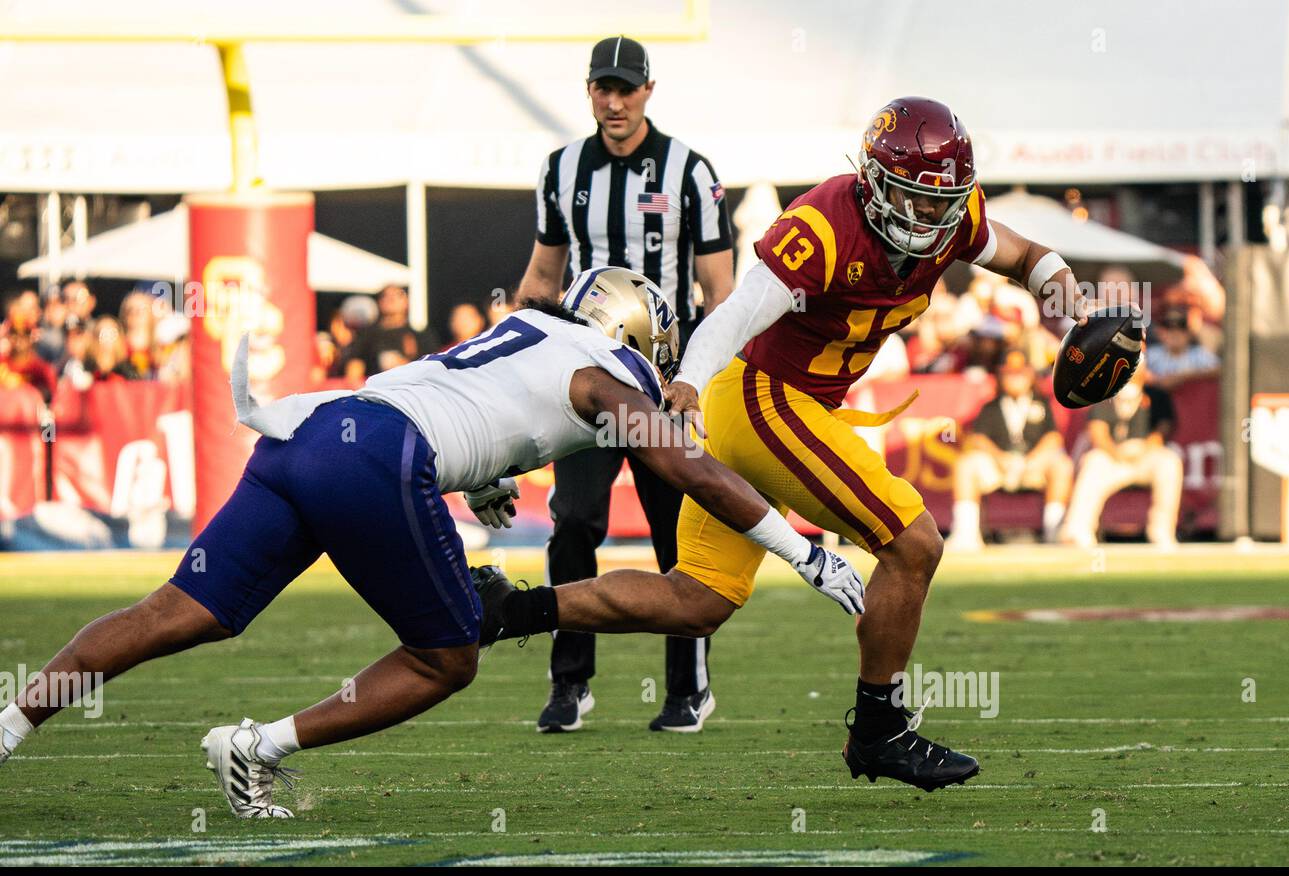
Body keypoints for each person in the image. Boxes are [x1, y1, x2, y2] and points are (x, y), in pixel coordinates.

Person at [0, 268, 863, 819]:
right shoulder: (612, 371)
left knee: (175, 613)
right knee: (448, 656)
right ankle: (257, 747)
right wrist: (806, 553)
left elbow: (455, 400)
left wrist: (482, 474)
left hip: (310, 429)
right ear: (642, 335)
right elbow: (699, 476)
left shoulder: (525, 329)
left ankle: (8, 727)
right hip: (376, 458)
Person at [483, 97, 1093, 792]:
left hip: (794, 404)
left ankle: (510, 609)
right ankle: (880, 731)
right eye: (917, 201)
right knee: (914, 542)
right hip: (763, 398)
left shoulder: (952, 214)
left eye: (942, 203)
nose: (931, 219)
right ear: (875, 184)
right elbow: (735, 313)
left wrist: (1076, 302)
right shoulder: (824, 226)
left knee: (696, 600)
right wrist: (684, 383)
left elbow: (1027, 257)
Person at [515, 35, 735, 733]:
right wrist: (516, 355)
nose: (613, 101)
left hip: (661, 384)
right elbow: (542, 279)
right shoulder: (562, 169)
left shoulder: (689, 172)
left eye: (625, 88)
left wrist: (696, 379)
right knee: (574, 521)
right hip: (584, 380)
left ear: (648, 90)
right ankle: (570, 680)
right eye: (601, 88)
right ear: (589, 91)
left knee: (679, 538)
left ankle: (687, 688)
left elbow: (719, 291)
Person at [948, 349, 1073, 549]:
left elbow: (1053, 437)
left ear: (1030, 375)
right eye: (1010, 374)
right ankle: (966, 532)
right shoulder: (991, 407)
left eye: (1020, 374)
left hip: (1033, 467)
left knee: (1062, 465)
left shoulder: (1042, 404)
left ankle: (1054, 530)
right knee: (965, 465)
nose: (1015, 380)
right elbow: (978, 438)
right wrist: (999, 458)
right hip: (1000, 467)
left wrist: (1034, 459)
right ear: (1001, 376)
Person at [1061, 365, 1182, 549]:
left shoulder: (1155, 394)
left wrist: (1144, 449)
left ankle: (1162, 532)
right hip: (1113, 456)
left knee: (1169, 462)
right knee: (1093, 462)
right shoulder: (1105, 393)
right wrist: (1117, 454)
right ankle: (1077, 531)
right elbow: (1097, 432)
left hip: (1145, 455)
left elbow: (1162, 429)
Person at [341, 285, 419, 380]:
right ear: (379, 302)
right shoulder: (367, 334)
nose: (391, 299)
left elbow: (428, 367)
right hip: (375, 390)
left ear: (406, 301)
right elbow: (355, 365)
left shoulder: (419, 335)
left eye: (397, 295)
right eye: (385, 296)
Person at [1144, 302, 1220, 391]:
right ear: (1160, 333)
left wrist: (1183, 376)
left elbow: (1220, 369)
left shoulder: (1198, 353)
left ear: (1189, 333)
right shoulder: (1152, 353)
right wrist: (1155, 380)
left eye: (1181, 329)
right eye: (1169, 329)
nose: (1175, 333)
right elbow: (1133, 371)